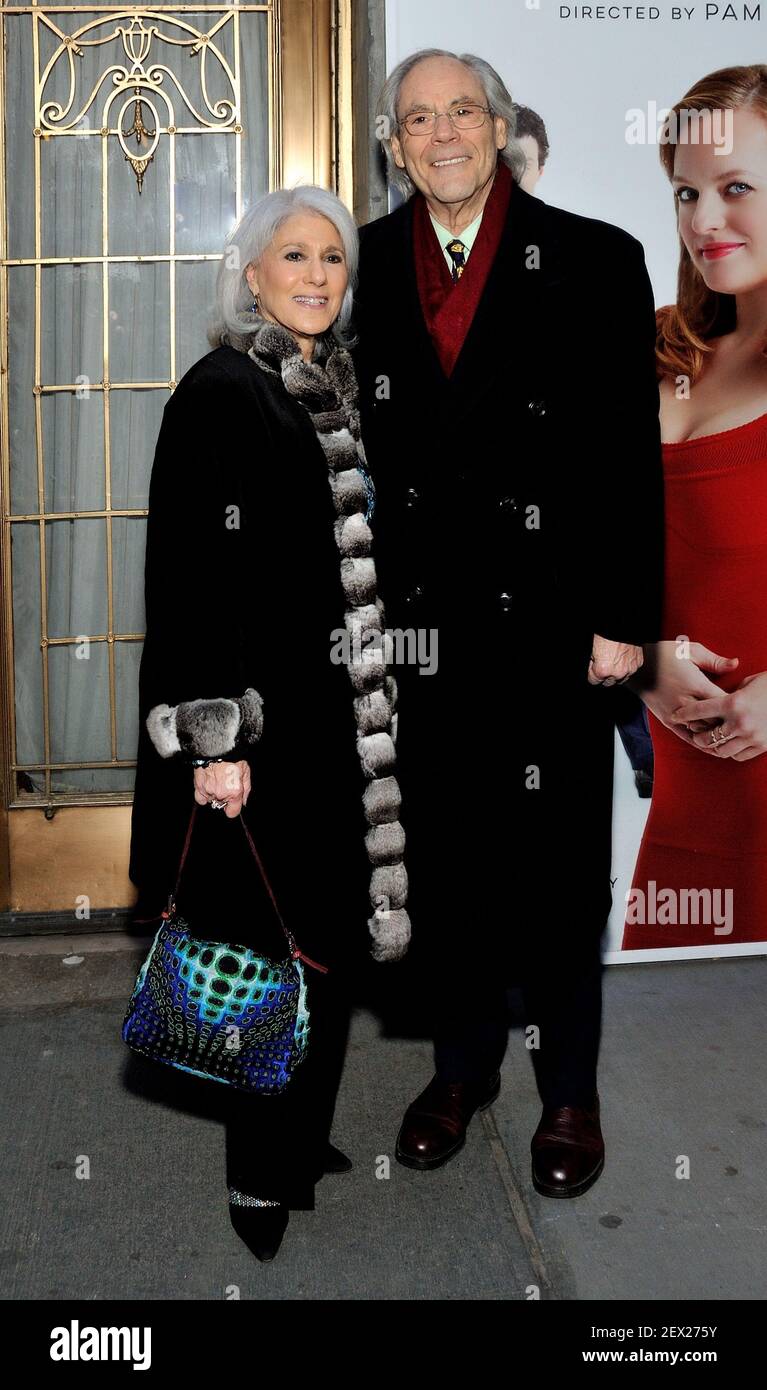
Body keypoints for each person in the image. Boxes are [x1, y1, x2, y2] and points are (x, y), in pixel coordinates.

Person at [353, 48, 665, 1197]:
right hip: (425, 634)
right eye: (416, 120)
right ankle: (459, 1068)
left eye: (460, 113)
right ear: (394, 147)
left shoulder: (593, 258)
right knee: (445, 864)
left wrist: (624, 620)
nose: (440, 135)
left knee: (557, 869)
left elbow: (628, 462)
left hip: (549, 626)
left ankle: (568, 1092)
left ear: (499, 127)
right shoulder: (370, 266)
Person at [128, 185, 410, 1261]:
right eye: (291, 255)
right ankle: (256, 1173)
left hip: (339, 729)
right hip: (260, 736)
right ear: (250, 273)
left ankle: (297, 1138)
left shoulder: (333, 386)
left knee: (323, 946)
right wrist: (218, 741)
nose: (313, 274)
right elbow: (192, 576)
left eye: (331, 258)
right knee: (254, 956)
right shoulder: (219, 392)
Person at [623, 64, 767, 950]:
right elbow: (562, 558)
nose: (703, 220)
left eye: (735, 187)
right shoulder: (651, 348)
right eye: (685, 192)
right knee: (666, 1073)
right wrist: (638, 659)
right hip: (687, 816)